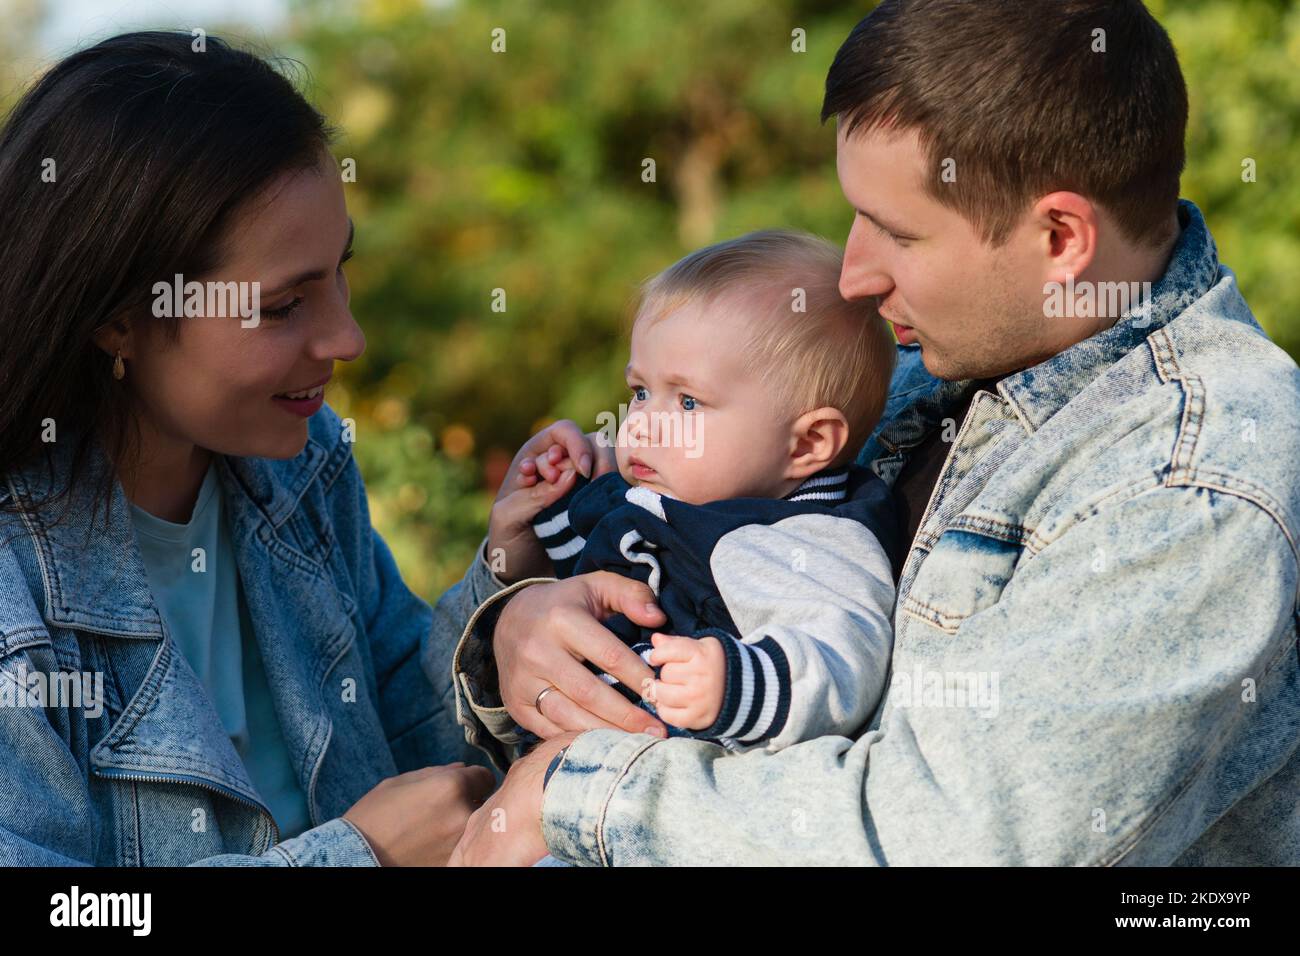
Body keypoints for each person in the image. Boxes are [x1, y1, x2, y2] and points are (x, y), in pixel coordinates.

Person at [446, 0, 1300, 866]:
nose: (853, 275)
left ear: (1060, 237)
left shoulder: (1192, 478)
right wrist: (522, 621)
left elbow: (952, 840)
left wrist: (574, 790)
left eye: (897, 231)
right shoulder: (929, 369)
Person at [0, 31, 536, 866]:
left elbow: (417, 736)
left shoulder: (304, 465)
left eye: (338, 274)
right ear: (116, 319)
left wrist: (509, 591)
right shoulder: (13, 592)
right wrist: (357, 856)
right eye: (283, 305)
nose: (347, 338)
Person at [488, 230, 901, 755]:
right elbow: (592, 577)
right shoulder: (675, 499)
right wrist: (553, 503)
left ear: (809, 443)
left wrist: (733, 683)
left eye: (687, 402)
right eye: (640, 392)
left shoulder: (800, 539)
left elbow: (845, 654)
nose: (639, 425)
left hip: (662, 789)